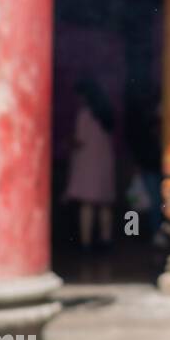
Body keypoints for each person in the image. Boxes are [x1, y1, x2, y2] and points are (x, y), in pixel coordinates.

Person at [64, 78, 116, 250]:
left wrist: (68, 142)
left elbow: (80, 139)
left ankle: (85, 243)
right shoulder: (107, 115)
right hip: (104, 161)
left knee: (87, 204)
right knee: (104, 204)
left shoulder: (84, 115)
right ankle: (106, 240)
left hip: (87, 162)